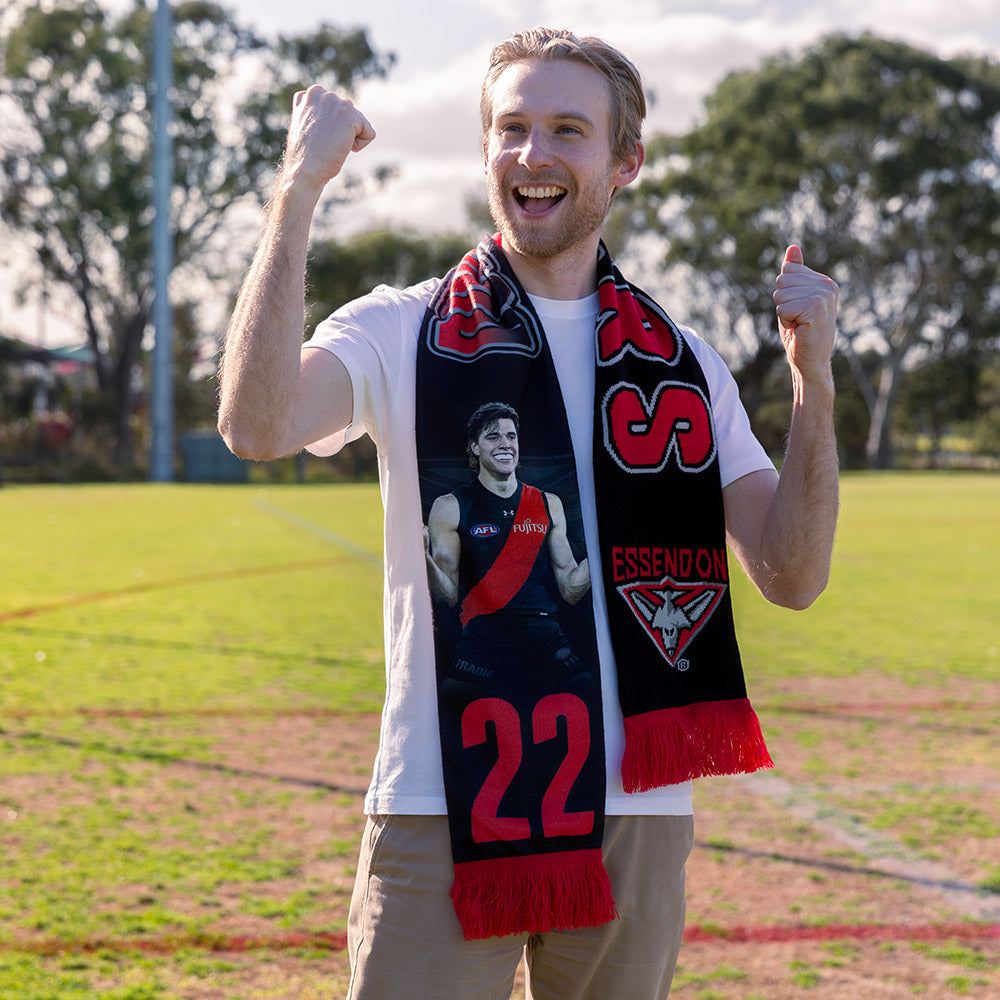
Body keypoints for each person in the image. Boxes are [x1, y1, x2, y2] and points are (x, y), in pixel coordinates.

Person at [218, 25, 839, 1000]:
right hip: (445, 800)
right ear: (485, 151)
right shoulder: (402, 328)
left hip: (635, 813)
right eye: (510, 128)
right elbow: (256, 424)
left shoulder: (681, 363)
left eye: (566, 130)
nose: (532, 153)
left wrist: (814, 381)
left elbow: (792, 574)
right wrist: (297, 188)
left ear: (625, 161)